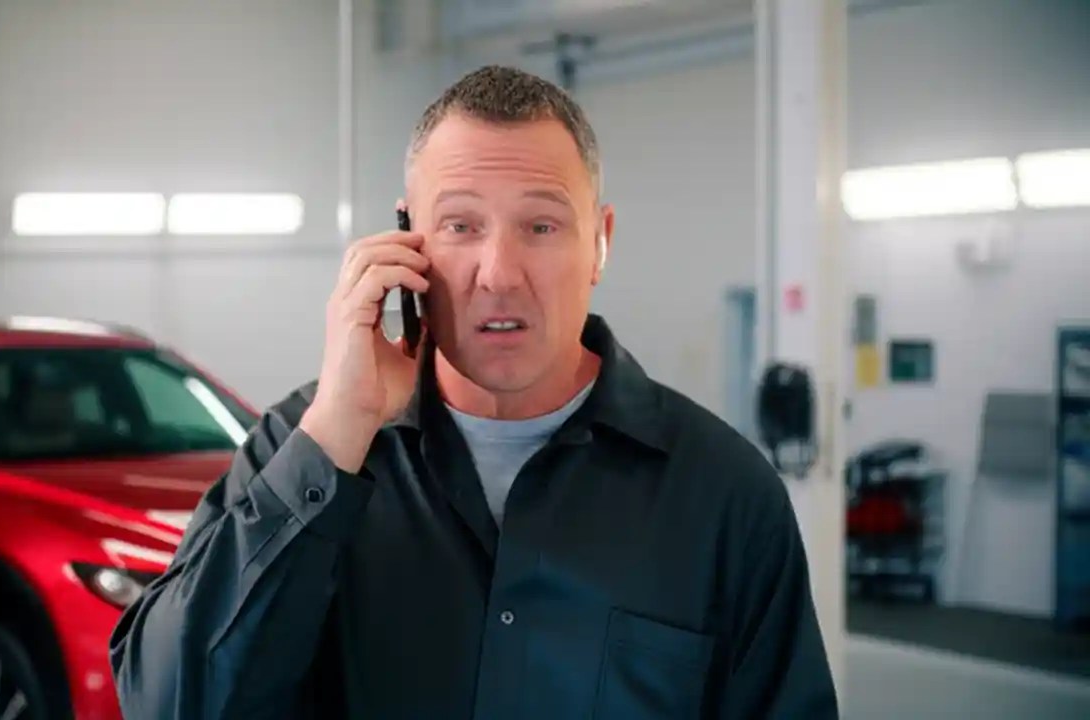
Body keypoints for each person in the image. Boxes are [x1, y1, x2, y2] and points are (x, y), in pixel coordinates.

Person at [110, 64, 838, 719]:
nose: (499, 273)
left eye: (541, 226)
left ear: (601, 242)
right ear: (406, 240)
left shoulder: (722, 496)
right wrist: (334, 438)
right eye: (460, 225)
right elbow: (169, 704)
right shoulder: (301, 445)